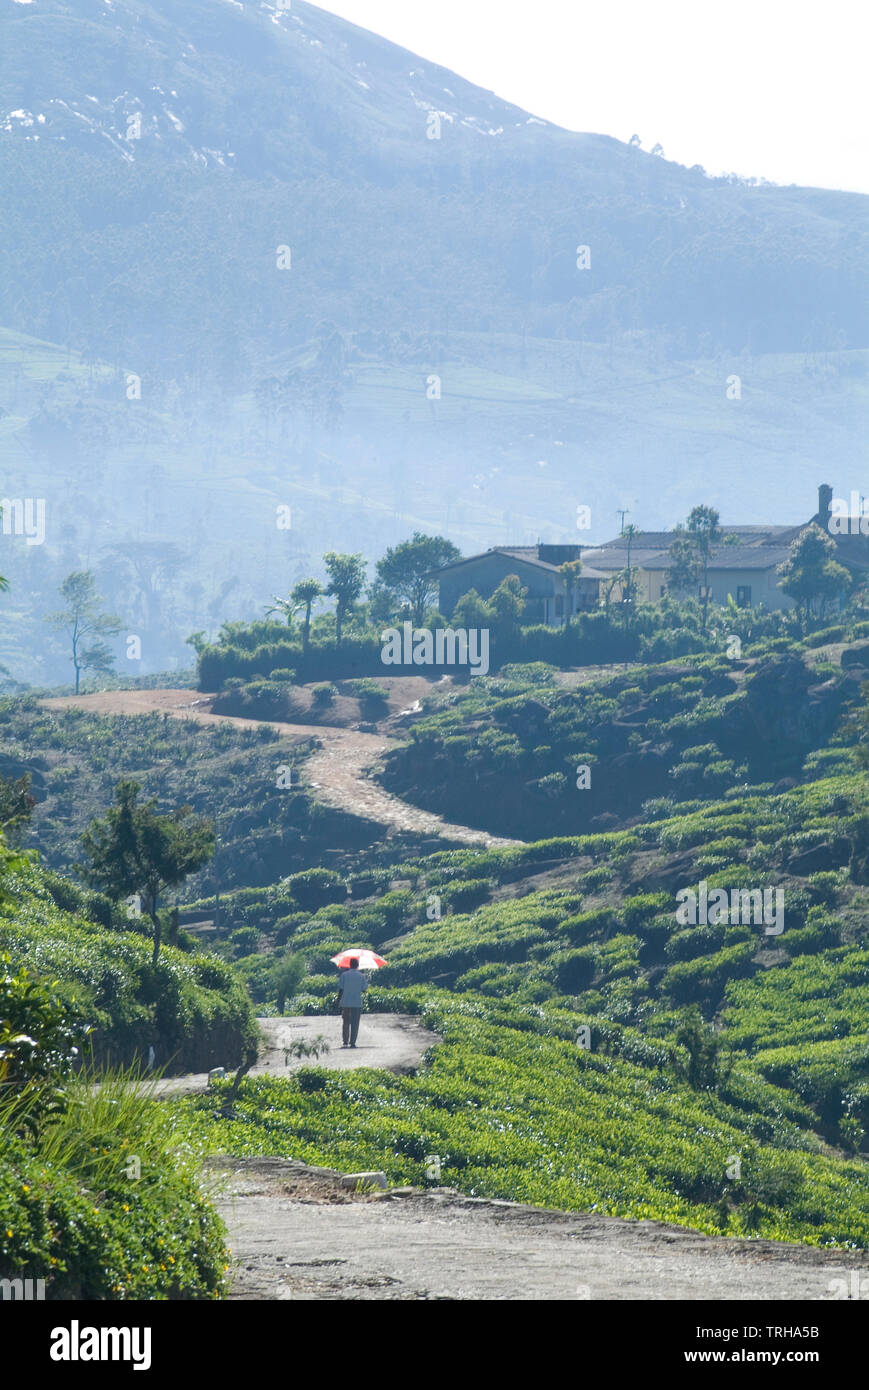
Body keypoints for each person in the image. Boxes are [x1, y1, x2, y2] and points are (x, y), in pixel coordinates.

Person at [337, 957, 368, 1048]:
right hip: (357, 1002)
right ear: (357, 965)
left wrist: (338, 1000)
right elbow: (364, 989)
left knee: (346, 1022)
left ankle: (345, 1041)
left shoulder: (344, 975)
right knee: (355, 1023)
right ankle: (353, 1042)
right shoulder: (361, 976)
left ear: (349, 965)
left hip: (346, 1002)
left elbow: (341, 989)